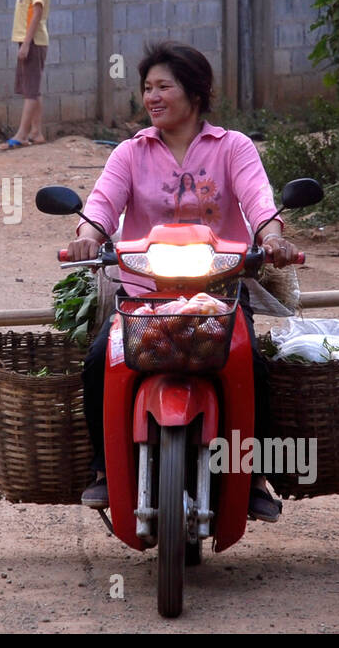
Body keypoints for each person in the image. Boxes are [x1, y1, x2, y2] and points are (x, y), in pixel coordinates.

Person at [66, 42, 302, 520]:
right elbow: (101, 205)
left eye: (163, 87)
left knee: (252, 365)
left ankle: (251, 473)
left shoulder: (233, 147)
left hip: (220, 292)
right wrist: (87, 235)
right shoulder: (131, 153)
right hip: (143, 294)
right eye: (147, 88)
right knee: (97, 362)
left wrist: (273, 235)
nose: (152, 97)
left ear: (195, 92)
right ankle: (104, 468)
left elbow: (259, 201)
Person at [2, 0, 51, 150]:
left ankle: (22, 134)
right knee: (32, 89)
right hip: (28, 40)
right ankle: (36, 133)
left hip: (33, 41)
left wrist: (27, 44)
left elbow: (37, 14)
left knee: (30, 92)